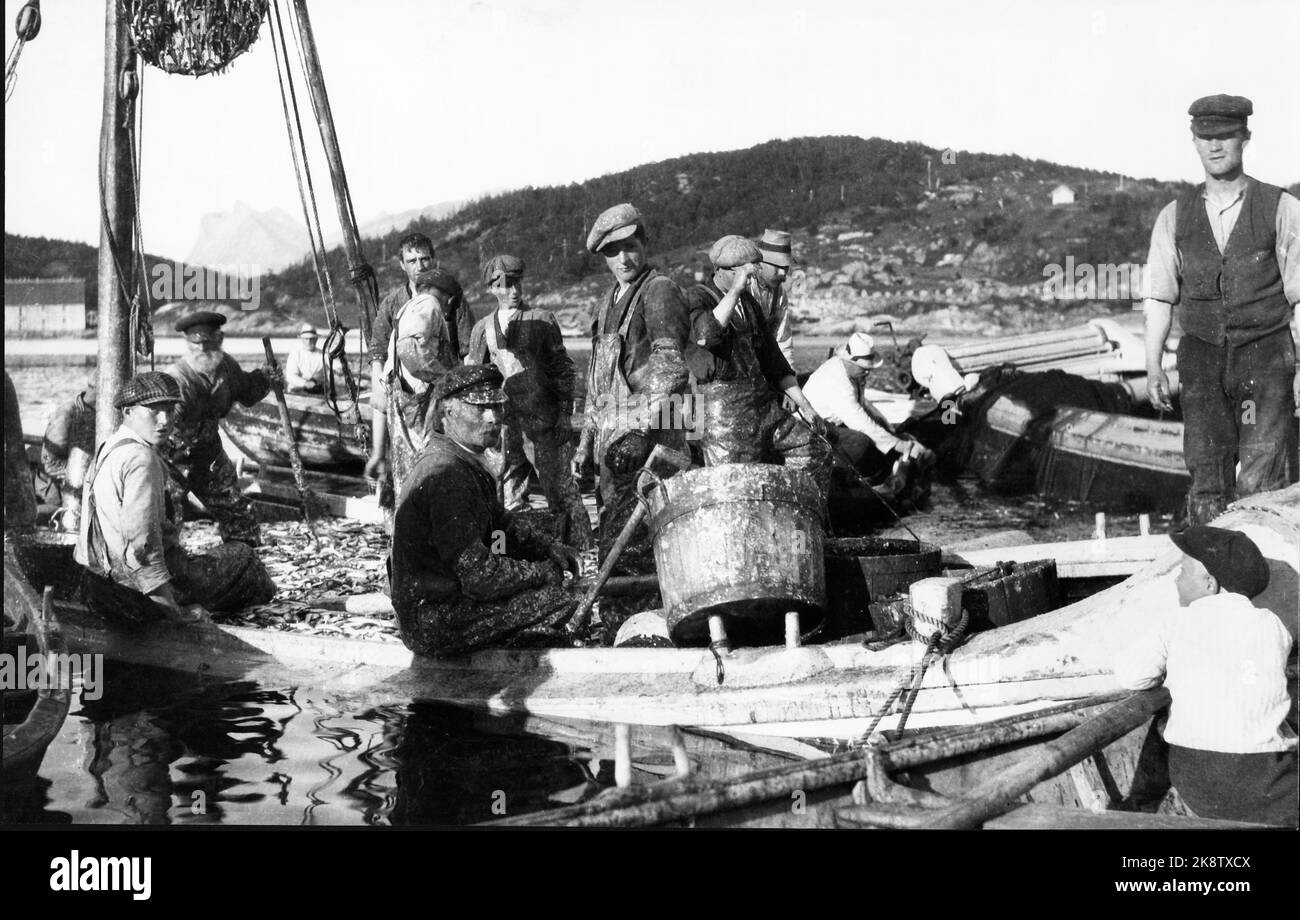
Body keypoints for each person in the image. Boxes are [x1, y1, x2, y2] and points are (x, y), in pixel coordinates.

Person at [1141, 94, 1300, 524]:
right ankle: (1210, 579)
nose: (1215, 146)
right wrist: (1153, 364)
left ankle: (1267, 580)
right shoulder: (1175, 216)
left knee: (1262, 479)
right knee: (1207, 479)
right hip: (1202, 360)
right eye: (1205, 136)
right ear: (1193, 141)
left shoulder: (1281, 208)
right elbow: (1158, 296)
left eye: (1225, 135)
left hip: (1266, 358)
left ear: (1245, 138)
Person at [389, 366, 582, 657]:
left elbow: (498, 528)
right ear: (448, 412)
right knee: (561, 600)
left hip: (450, 601)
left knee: (543, 593)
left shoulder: (464, 461)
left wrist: (547, 548)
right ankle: (510, 657)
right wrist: (541, 573)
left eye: (495, 406)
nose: (492, 417)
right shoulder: (446, 475)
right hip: (434, 619)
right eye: (479, 408)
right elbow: (479, 576)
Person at [1114, 525, 1296, 826]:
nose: (1177, 579)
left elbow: (1130, 675)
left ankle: (1137, 807)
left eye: (1183, 572)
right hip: (1261, 779)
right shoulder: (1272, 625)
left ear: (1209, 583)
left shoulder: (1175, 622)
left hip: (1193, 778)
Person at [74, 372, 273, 624]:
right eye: (154, 412)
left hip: (95, 586)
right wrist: (174, 612)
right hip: (133, 597)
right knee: (244, 557)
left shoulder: (108, 446)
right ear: (127, 412)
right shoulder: (141, 459)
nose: (164, 421)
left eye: (169, 410)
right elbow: (142, 547)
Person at [573, 204, 692, 569]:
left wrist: (641, 432)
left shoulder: (659, 291)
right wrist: (586, 444)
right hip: (613, 444)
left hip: (651, 441)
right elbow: (598, 382)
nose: (623, 258)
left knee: (644, 537)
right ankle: (619, 620)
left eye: (630, 245)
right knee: (615, 533)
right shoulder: (605, 304)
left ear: (644, 241)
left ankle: (643, 616)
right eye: (612, 251)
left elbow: (671, 367)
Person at [465, 255, 592, 549]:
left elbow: (563, 370)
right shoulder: (483, 329)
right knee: (509, 496)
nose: (514, 290)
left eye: (517, 283)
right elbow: (477, 381)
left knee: (562, 493)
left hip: (544, 423)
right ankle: (515, 557)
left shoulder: (542, 321)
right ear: (492, 288)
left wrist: (563, 415)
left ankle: (582, 555)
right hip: (506, 428)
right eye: (505, 285)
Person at [686, 235, 829, 492]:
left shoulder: (749, 304)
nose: (750, 278)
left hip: (762, 408)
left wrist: (805, 405)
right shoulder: (698, 298)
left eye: (752, 270)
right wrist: (735, 291)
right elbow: (707, 335)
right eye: (744, 271)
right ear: (720, 271)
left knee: (814, 448)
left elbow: (774, 360)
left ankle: (796, 511)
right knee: (735, 486)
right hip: (723, 416)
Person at [164, 310, 282, 547]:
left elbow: (247, 391)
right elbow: (159, 428)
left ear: (219, 339)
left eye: (207, 343)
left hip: (209, 455)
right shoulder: (177, 379)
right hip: (173, 458)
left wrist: (267, 377)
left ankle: (243, 560)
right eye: (195, 344)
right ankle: (166, 571)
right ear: (187, 344)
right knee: (166, 515)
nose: (202, 350)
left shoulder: (226, 366)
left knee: (238, 511)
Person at [365, 272, 458, 495]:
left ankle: (405, 519)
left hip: (401, 394)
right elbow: (408, 347)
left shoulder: (409, 306)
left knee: (405, 464)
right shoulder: (430, 304)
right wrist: (445, 379)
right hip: (416, 398)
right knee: (421, 461)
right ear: (451, 300)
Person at [805, 332, 934, 481]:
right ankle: (853, 478)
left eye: (869, 368)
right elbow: (860, 422)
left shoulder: (853, 374)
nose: (868, 371)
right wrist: (898, 444)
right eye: (863, 368)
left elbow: (863, 406)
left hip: (835, 422)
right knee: (860, 443)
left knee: (882, 431)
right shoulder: (836, 380)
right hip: (812, 428)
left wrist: (890, 430)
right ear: (849, 361)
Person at [42, 367, 98, 531]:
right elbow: (50, 464)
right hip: (55, 488)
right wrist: (91, 472)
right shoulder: (66, 414)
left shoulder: (103, 414)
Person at [750, 228, 797, 366]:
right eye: (777, 266)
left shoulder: (779, 294)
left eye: (786, 267)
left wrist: (790, 375)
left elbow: (783, 342)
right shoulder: (744, 287)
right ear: (759, 263)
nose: (783, 273)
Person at [285, 324, 326, 394]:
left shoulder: (323, 354)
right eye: (306, 339)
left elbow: (336, 366)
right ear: (302, 339)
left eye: (311, 339)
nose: (309, 341)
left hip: (317, 391)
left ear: (316, 339)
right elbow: (290, 376)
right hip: (296, 391)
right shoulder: (295, 354)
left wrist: (339, 369)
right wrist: (305, 383)